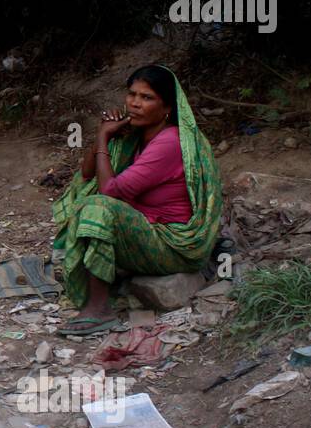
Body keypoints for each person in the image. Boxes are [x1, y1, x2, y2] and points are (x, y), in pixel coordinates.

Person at [51, 65, 222, 335]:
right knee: (95, 204)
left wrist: (106, 137)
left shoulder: (169, 142)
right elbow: (86, 173)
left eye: (147, 98)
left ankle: (99, 310)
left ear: (167, 107)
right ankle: (104, 287)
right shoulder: (136, 136)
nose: (135, 103)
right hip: (146, 232)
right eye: (132, 94)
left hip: (174, 246)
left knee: (98, 207)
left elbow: (110, 193)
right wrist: (103, 135)